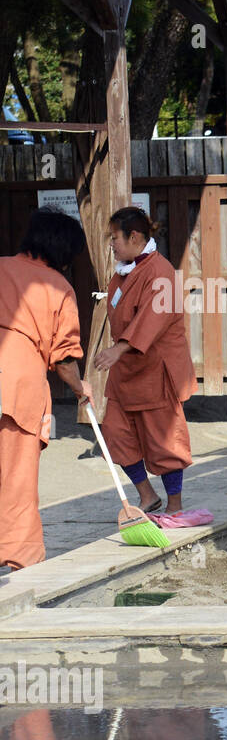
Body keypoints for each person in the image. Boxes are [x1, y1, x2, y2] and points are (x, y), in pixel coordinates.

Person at [0, 208, 94, 570]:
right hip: (18, 385)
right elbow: (64, 357)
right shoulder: (59, 288)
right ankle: (16, 558)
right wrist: (79, 388)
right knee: (16, 479)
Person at [94, 207, 197, 515]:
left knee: (164, 439)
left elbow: (152, 319)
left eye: (115, 238)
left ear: (134, 236)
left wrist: (119, 349)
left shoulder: (160, 271)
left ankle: (175, 507)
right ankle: (147, 495)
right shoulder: (124, 270)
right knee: (114, 432)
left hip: (155, 368)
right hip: (127, 369)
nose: (111, 244)